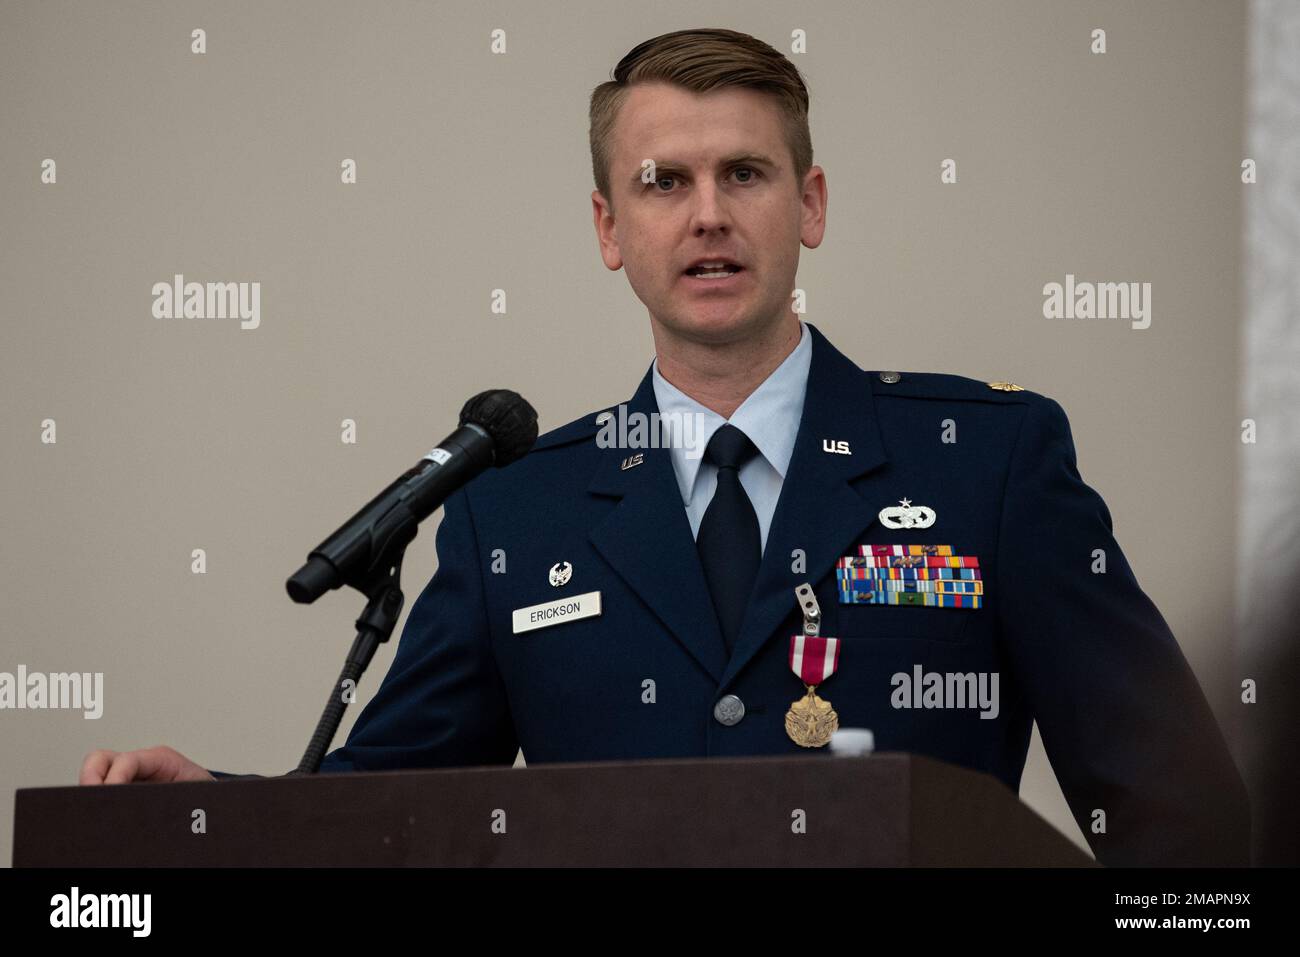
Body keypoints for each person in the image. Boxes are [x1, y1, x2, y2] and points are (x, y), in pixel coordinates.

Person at [80, 28, 1249, 867]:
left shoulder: (984, 462)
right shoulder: (516, 514)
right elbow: (385, 811)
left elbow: (1178, 817)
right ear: (609, 228)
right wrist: (209, 812)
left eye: (745, 172)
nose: (707, 214)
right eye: (662, 182)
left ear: (811, 205)